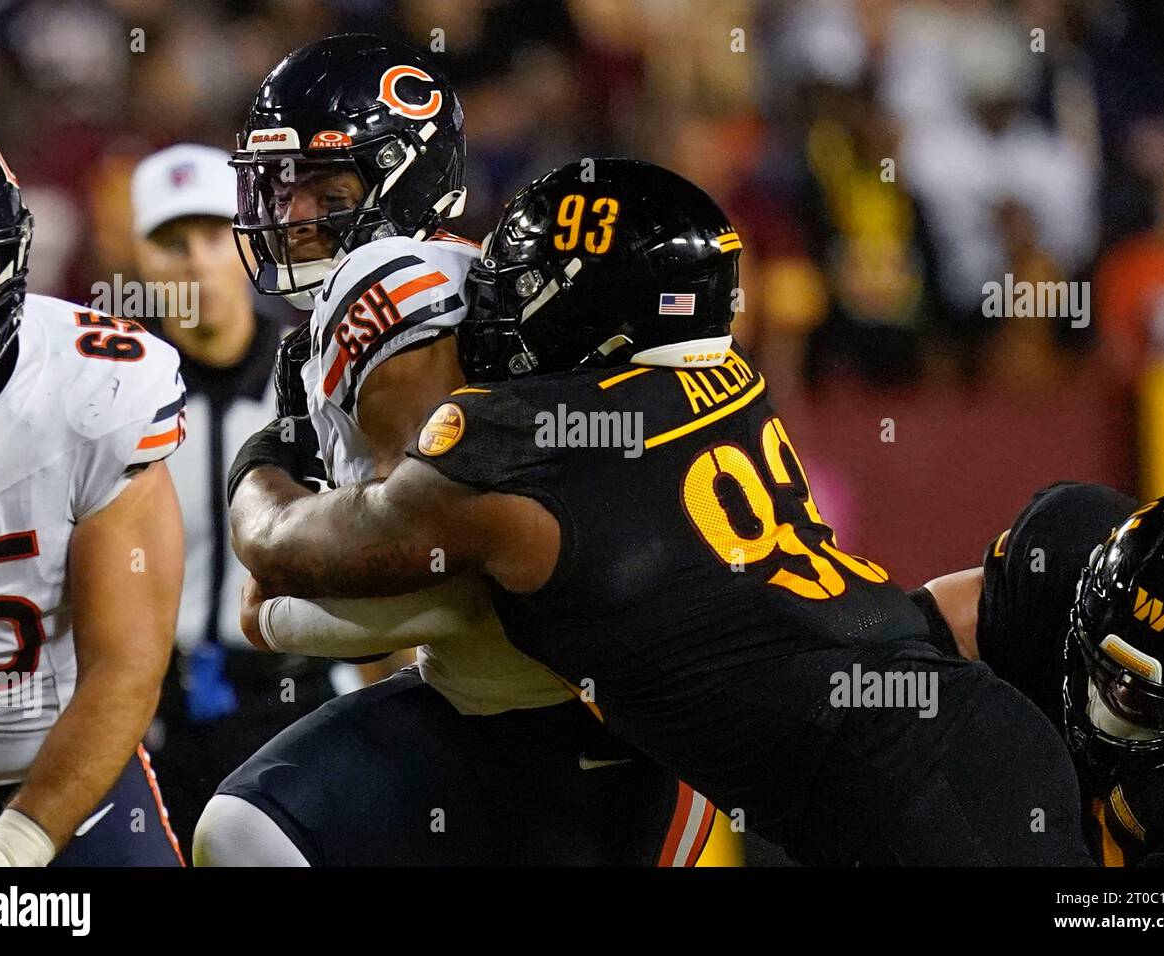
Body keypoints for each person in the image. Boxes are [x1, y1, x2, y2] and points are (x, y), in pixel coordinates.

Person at [227, 156, 1093, 865]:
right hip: (957, 741)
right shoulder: (726, 381)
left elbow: (292, 546)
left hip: (905, 805)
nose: (503, 310)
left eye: (526, 282)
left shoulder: (525, 445)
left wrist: (267, 455)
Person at [196, 34, 710, 867]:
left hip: (603, 716)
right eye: (280, 188)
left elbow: (441, 578)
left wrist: (276, 606)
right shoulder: (415, 292)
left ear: (409, 179)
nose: (289, 217)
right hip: (467, 694)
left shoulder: (399, 283)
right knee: (248, 829)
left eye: (324, 187)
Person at [0, 114, 185, 866]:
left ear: (9, 254)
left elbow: (127, 663)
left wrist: (9, 852)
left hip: (69, 776)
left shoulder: (92, 392)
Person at [128, 143, 338, 852]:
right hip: (156, 709)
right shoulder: (115, 393)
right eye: (172, 242)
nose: (196, 262)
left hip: (296, 695)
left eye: (216, 235)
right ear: (138, 258)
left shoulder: (319, 377)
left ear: (249, 243)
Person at [913, 481, 1164, 865]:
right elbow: (900, 646)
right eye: (1098, 667)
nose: (1106, 708)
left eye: (1148, 700)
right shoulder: (1064, 550)